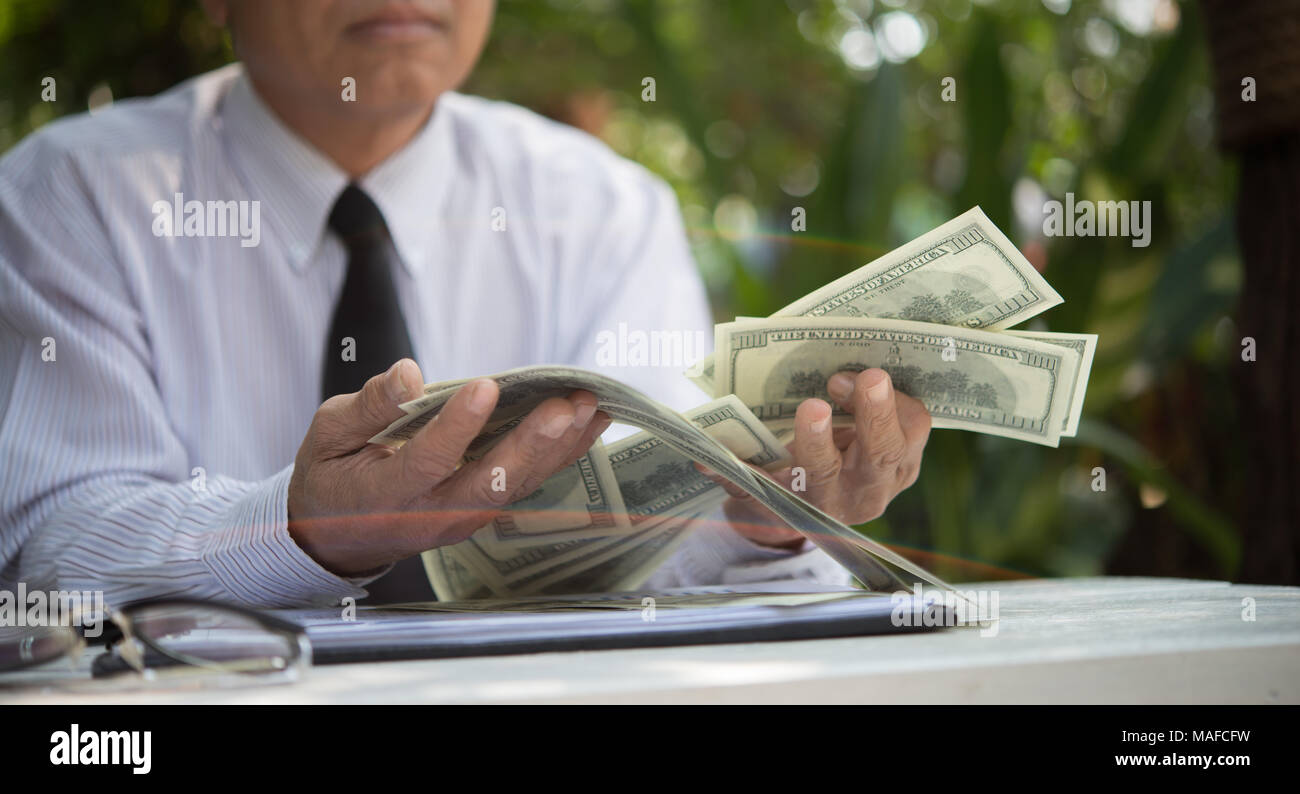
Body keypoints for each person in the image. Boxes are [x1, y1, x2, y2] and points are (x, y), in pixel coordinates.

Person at [0, 0, 931, 607]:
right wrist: (301, 530)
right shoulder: (74, 197)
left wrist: (753, 520)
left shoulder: (604, 208)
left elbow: (637, 537)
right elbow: (45, 556)